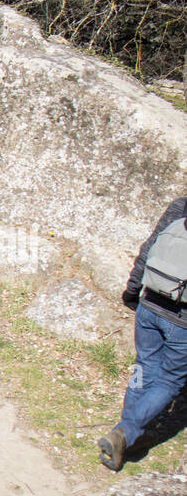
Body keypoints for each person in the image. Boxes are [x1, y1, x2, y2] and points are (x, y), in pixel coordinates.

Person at [100, 196, 187, 470]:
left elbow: (149, 248)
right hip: (181, 319)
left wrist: (132, 289)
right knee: (170, 380)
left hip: (148, 304)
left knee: (143, 366)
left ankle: (125, 435)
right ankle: (126, 432)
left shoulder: (179, 207)